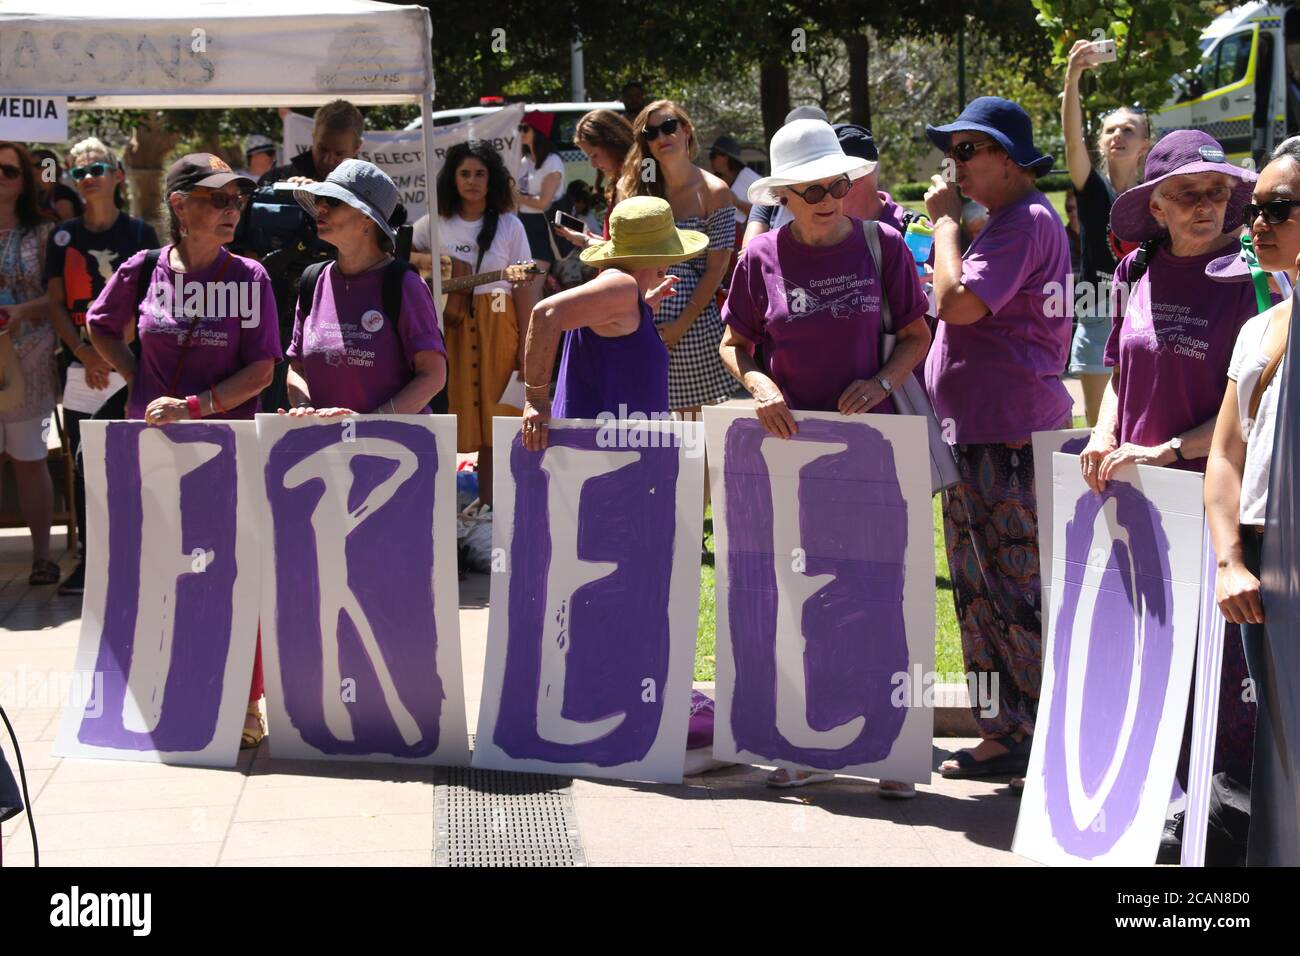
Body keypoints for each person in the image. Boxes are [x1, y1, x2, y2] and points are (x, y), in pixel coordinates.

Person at [718, 119, 932, 797]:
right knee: (804, 592)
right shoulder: (761, 259)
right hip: (788, 459)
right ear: (783, 194)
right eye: (811, 188)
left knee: (876, 592)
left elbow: (918, 336)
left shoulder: (884, 245)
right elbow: (735, 342)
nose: (827, 196)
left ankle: (890, 745)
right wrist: (758, 382)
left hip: (871, 456)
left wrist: (885, 382)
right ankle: (807, 741)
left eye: (837, 182)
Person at [1079, 129, 1262, 858]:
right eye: (1189, 194)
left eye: (1219, 192)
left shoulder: (1252, 279)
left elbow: (1249, 403)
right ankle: (1155, 806)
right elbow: (1121, 374)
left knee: (1219, 676)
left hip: (1215, 510)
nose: (1207, 206)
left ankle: (1215, 834)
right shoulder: (1136, 274)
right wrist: (1101, 431)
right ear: (1155, 205)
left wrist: (1171, 447)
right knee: (1152, 657)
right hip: (1139, 507)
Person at [86, 153, 282, 748]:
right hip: (151, 449)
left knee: (232, 572)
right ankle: (167, 685)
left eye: (237, 200)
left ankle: (246, 703)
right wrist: (137, 379)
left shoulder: (250, 277)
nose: (231, 211)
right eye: (217, 200)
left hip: (226, 448)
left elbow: (262, 370)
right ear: (179, 205)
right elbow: (99, 323)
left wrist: (193, 407)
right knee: (156, 569)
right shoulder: (143, 269)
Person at [920, 98, 1071, 778]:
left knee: (1016, 594)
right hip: (979, 437)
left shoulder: (1024, 222)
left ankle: (1038, 739)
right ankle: (1003, 734)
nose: (954, 168)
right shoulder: (1012, 221)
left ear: (1006, 158)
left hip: (1008, 440)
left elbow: (957, 303)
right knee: (980, 594)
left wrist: (945, 224)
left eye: (966, 153)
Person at [1205, 137, 1300, 867]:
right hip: (1267, 563)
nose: (1255, 225)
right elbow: (1226, 454)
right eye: (1252, 210)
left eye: (1276, 209)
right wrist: (1230, 559)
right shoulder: (1258, 331)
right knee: (1280, 751)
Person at [43, 137, 159, 597]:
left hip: (129, 365)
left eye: (97, 169)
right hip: (80, 367)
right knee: (82, 466)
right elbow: (55, 303)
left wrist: (113, 353)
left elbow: (152, 303)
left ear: (117, 176)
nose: (88, 179)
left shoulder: (139, 235)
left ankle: (137, 558)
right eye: (79, 172)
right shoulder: (63, 235)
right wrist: (85, 352)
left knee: (132, 465)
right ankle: (92, 562)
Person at [412, 142, 532, 508]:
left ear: (492, 178)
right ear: (452, 178)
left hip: (499, 325)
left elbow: (523, 290)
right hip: (448, 330)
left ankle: (494, 509)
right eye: (464, 173)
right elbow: (411, 273)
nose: (472, 181)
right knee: (451, 415)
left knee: (496, 421)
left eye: (480, 173)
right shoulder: (430, 224)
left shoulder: (510, 226)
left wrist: (528, 347)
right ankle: (444, 513)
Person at [520, 195, 696, 445]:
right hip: (602, 455)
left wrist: (643, 308)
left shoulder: (627, 292)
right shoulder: (621, 286)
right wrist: (535, 401)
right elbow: (545, 313)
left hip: (616, 454)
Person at [284, 160, 446, 418]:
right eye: (320, 199)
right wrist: (304, 408)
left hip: (394, 449)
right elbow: (296, 368)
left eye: (334, 201)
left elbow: (434, 375)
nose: (321, 207)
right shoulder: (312, 280)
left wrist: (374, 424)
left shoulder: (404, 285)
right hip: (322, 449)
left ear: (366, 219)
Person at [619, 100, 735, 416]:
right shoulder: (634, 189)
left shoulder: (715, 190)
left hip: (692, 325)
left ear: (685, 130)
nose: (661, 136)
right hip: (639, 319)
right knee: (644, 429)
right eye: (650, 132)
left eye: (668, 126)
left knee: (695, 437)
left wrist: (681, 324)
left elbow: (717, 268)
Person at [1063, 39, 1153, 426]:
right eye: (1110, 130)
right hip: (1097, 318)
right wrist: (1073, 76)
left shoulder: (1158, 193)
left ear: (1144, 145)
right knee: (1099, 435)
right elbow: (1071, 140)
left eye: (1128, 130)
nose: (1118, 135)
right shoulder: (1092, 189)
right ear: (1100, 142)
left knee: (1139, 431)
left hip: (1146, 319)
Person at [0, 142, 56, 585]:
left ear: (24, 181)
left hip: (31, 356)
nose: (1, 177)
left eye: (9, 170)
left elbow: (55, 298)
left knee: (30, 457)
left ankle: (42, 555)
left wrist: (21, 312)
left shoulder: (45, 233)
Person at [744, 125, 909, 248]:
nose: (828, 200)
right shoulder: (761, 255)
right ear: (783, 196)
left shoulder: (888, 242)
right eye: (813, 191)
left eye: (838, 186)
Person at [555, 109, 634, 247]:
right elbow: (616, 246)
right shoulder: (624, 181)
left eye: (594, 155)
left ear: (612, 145)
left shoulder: (633, 183)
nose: (593, 164)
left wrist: (586, 241)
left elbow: (626, 253)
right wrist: (587, 239)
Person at [514, 112, 566, 302]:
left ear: (538, 131)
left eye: (525, 128)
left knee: (531, 289)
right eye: (519, 128)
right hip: (523, 225)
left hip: (542, 229)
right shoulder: (525, 161)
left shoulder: (553, 161)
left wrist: (516, 196)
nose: (520, 132)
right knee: (522, 288)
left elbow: (544, 202)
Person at [30, 148, 82, 222]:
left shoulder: (61, 193)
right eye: (29, 166)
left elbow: (68, 227)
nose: (33, 170)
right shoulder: (40, 194)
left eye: (38, 165)